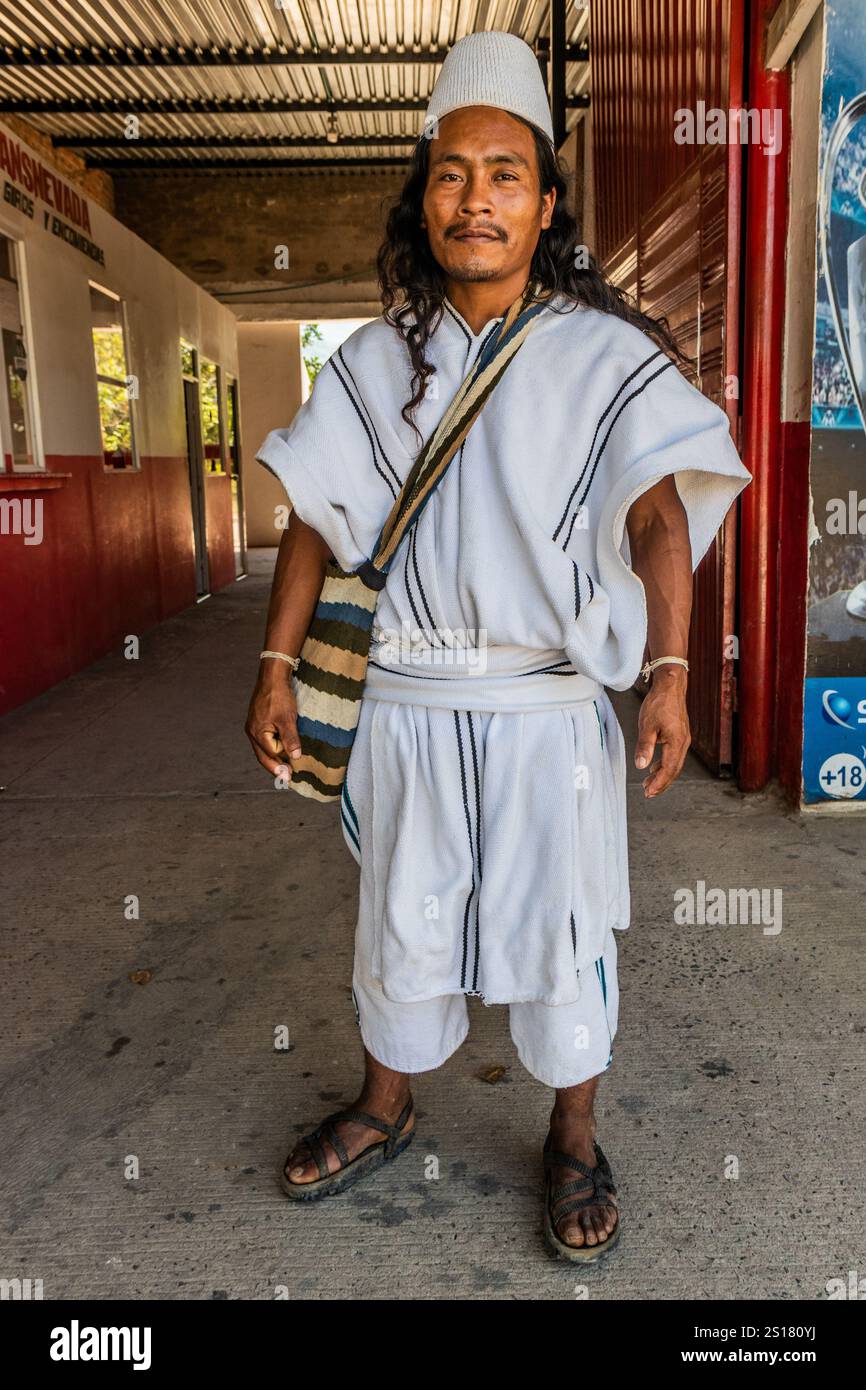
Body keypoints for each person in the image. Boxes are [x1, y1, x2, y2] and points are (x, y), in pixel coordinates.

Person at [246, 30, 752, 1262]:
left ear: (543, 205)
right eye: (451, 173)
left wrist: (671, 674)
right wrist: (273, 662)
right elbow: (313, 514)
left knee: (561, 925)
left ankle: (571, 1129)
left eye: (505, 174)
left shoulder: (601, 355)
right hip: (407, 705)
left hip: (544, 713)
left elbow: (655, 515)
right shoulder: (374, 361)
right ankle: (387, 1100)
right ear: (422, 199)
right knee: (398, 920)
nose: (476, 198)